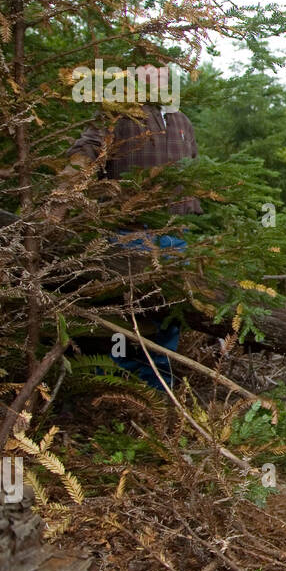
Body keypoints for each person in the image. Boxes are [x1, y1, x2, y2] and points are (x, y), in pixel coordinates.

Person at [60, 99, 201, 388]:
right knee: (124, 311)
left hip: (174, 233)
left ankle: (156, 391)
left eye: (161, 71)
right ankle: (115, 389)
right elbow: (88, 146)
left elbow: (195, 168)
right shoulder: (119, 114)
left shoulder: (182, 120)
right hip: (129, 231)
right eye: (147, 70)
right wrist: (72, 175)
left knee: (167, 312)